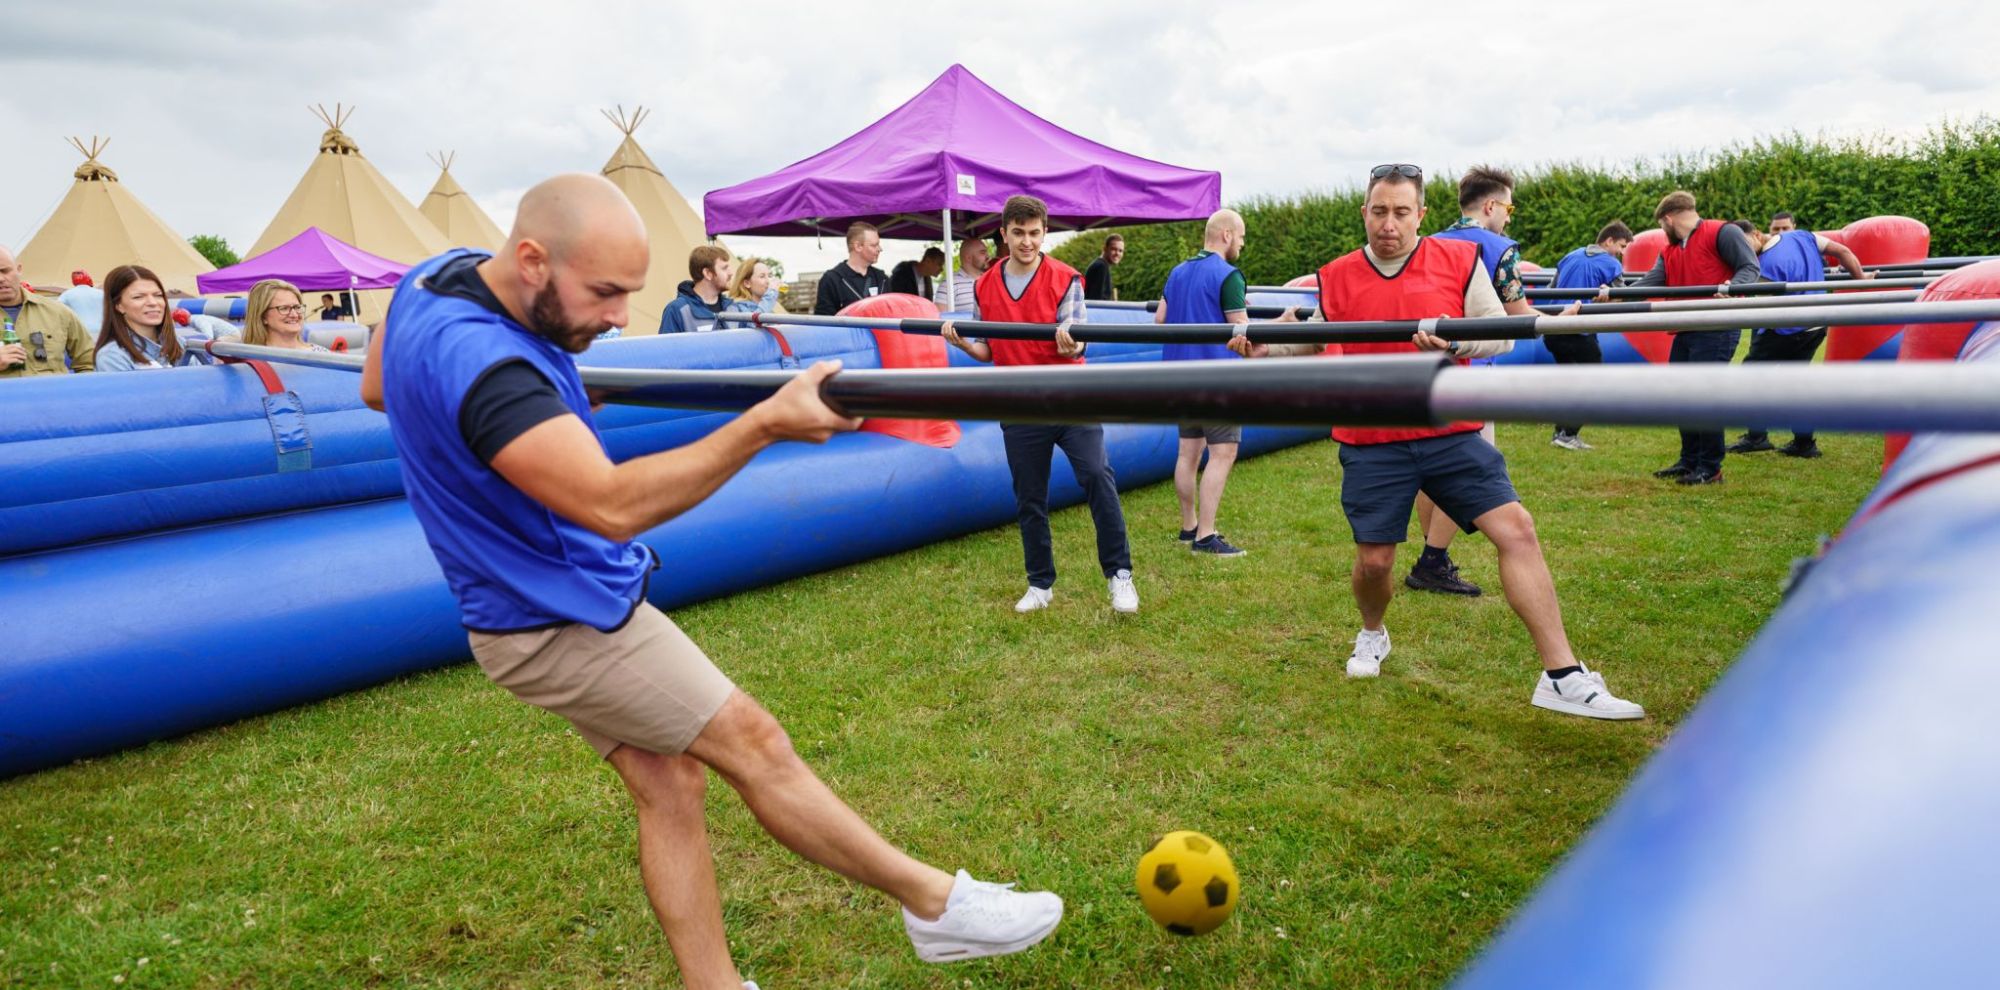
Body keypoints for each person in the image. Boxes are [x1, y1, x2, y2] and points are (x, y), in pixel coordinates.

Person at [359, 174, 1063, 988]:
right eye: (604, 293)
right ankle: (934, 906)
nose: (622, 316)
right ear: (528, 261)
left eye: (630, 292)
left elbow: (379, 385)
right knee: (753, 741)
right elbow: (613, 506)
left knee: (669, 783)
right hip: (559, 620)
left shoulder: (430, 279)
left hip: (524, 610)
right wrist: (764, 422)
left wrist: (530, 395)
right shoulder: (491, 371)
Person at [1228, 163, 1643, 720]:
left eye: (1402, 212)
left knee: (1516, 529)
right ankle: (1372, 632)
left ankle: (1562, 675)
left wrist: (1458, 340)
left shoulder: (1459, 260)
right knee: (1375, 563)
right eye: (1379, 211)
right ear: (1365, 213)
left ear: (1421, 215)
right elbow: (1311, 339)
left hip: (1450, 430)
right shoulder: (1338, 275)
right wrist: (1263, 347)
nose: (1389, 224)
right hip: (1373, 438)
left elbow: (1501, 335)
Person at [940, 194, 1139, 615]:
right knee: (1029, 497)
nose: (1027, 242)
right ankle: (1040, 584)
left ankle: (1119, 576)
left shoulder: (1067, 278)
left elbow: (1078, 336)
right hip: (1019, 404)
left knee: (1097, 478)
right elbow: (989, 350)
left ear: (1044, 233)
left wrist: (1072, 343)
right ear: (1004, 234)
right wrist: (962, 341)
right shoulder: (984, 285)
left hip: (1070, 399)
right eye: (1018, 233)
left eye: (1034, 233)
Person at [1620, 191, 1763, 485]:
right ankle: (1689, 461)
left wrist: (1731, 289)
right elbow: (1650, 282)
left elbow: (1750, 266)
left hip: (1717, 328)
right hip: (1686, 328)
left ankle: (1710, 468)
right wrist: (1615, 296)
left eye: (1662, 226)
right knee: (1682, 395)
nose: (1663, 232)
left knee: (1704, 396)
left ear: (1669, 219)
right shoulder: (1670, 251)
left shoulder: (1723, 232)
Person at [1726, 219, 1872, 458]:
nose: (1740, 253)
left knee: (1751, 379)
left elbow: (1758, 307)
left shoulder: (1765, 266)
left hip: (1785, 330)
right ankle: (1804, 443)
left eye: (1742, 245)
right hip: (1815, 325)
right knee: (1797, 383)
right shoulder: (1803, 236)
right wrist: (1861, 280)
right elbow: (1843, 251)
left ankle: (1757, 437)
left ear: (1756, 235)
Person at [1156, 209, 1255, 557]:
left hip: (1179, 378)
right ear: (1227, 235)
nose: (1242, 243)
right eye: (1241, 237)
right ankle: (1206, 536)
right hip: (1217, 379)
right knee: (1224, 452)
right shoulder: (1229, 275)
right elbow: (1243, 332)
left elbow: (1161, 318)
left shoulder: (1178, 272)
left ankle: (1189, 527)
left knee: (1187, 453)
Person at [1543, 221, 1634, 449]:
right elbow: (1623, 297)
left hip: (1554, 329)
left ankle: (1561, 434)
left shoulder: (1569, 256)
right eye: (1621, 246)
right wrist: (1608, 296)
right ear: (1609, 241)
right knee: (1594, 383)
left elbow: (1551, 288)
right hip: (1579, 331)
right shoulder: (1611, 264)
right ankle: (1568, 434)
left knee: (1569, 383)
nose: (1622, 253)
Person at [0, 243, 96, 378]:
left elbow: (88, 362)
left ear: (19, 269)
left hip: (54, 397)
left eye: (5, 271)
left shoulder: (58, 312)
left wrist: (77, 395)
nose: (1, 279)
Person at [94, 264, 212, 371]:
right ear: (118, 306)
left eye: (158, 295)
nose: (152, 302)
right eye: (138, 297)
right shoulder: (112, 356)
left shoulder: (179, 343)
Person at [659, 245, 754, 333]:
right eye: (724, 268)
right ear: (708, 273)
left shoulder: (734, 309)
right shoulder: (677, 310)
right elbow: (666, 350)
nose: (731, 273)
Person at [813, 222, 889, 315]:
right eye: (874, 245)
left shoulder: (882, 278)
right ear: (858, 246)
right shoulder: (832, 280)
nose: (880, 249)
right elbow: (823, 322)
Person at [242, 279, 331, 352]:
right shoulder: (250, 360)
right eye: (284, 308)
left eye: (297, 307)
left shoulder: (322, 355)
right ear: (263, 316)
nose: (294, 314)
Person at [933, 237, 990, 312]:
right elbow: (940, 318)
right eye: (982, 252)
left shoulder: (992, 279)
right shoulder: (949, 284)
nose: (988, 256)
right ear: (968, 258)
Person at [1083, 234, 1122, 301]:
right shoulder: (1101, 267)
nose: (1117, 253)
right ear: (1105, 249)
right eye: (1113, 249)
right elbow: (1096, 301)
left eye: (1120, 251)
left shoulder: (1100, 264)